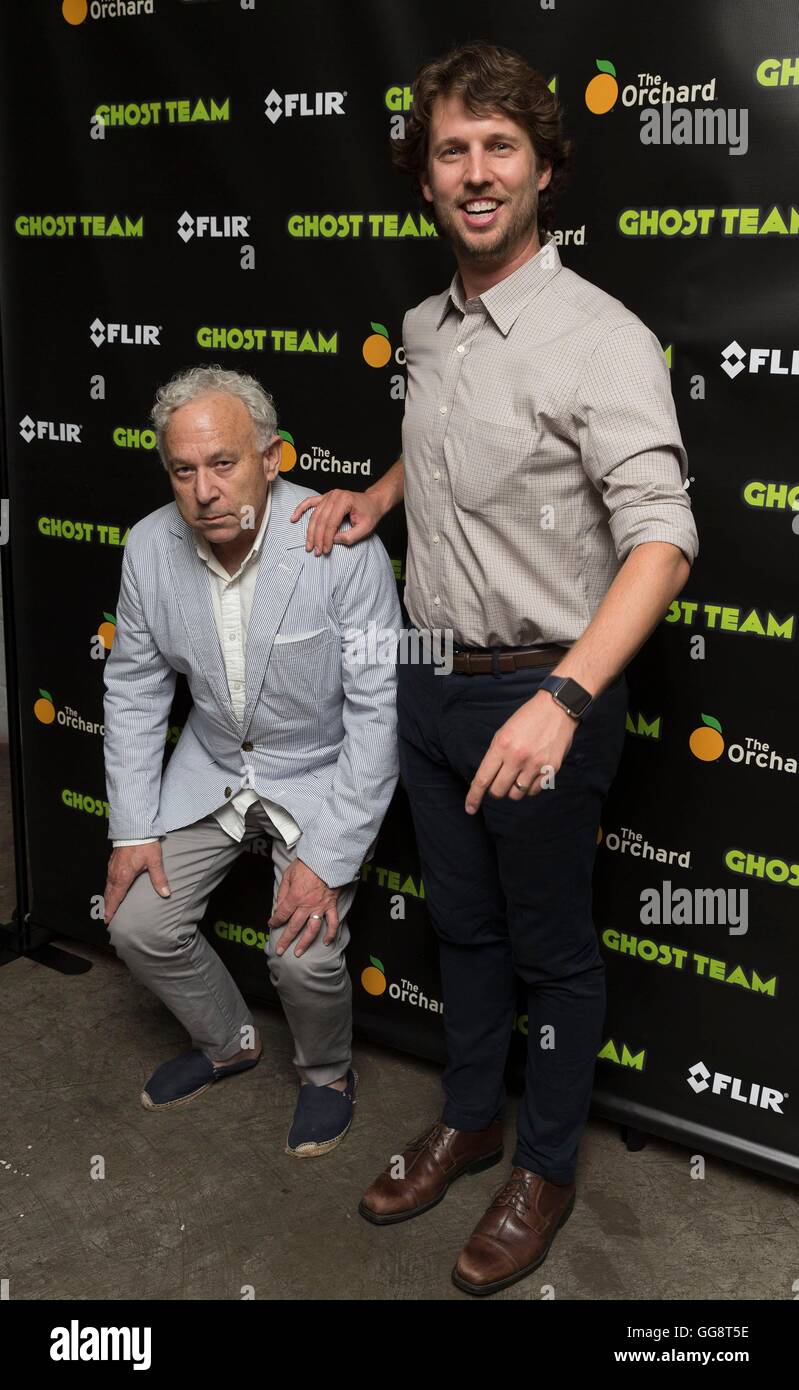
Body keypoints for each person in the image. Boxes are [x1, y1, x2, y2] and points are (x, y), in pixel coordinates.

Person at [291, 41, 699, 1290]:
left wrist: (564, 698)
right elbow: (464, 442)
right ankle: (471, 1120)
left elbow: (666, 538)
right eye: (451, 150)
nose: (474, 173)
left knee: (550, 950)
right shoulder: (428, 322)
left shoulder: (599, 337)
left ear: (541, 169)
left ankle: (546, 1164)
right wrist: (381, 489)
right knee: (461, 930)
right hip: (428, 679)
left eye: (499, 149)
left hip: (540, 694)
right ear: (425, 175)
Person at [102, 365, 401, 1157]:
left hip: (318, 773)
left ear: (272, 459)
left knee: (299, 958)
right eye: (183, 469)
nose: (203, 490)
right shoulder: (146, 549)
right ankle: (229, 1039)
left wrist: (330, 857)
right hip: (211, 767)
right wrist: (131, 828)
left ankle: (327, 1074)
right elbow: (134, 690)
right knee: (133, 921)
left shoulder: (340, 548)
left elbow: (378, 716)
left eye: (224, 463)